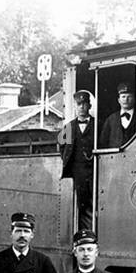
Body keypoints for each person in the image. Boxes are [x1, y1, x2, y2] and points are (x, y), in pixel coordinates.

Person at [59, 90, 95, 230]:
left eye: (84, 104)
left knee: (94, 204)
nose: (81, 107)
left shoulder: (98, 124)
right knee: (81, 204)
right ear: (75, 106)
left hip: (94, 171)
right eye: (79, 104)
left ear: (89, 106)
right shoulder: (69, 127)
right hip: (77, 172)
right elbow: (61, 146)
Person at [99, 82, 136, 149]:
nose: (126, 99)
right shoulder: (111, 119)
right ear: (118, 100)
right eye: (123, 97)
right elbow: (103, 142)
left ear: (134, 99)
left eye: (129, 96)